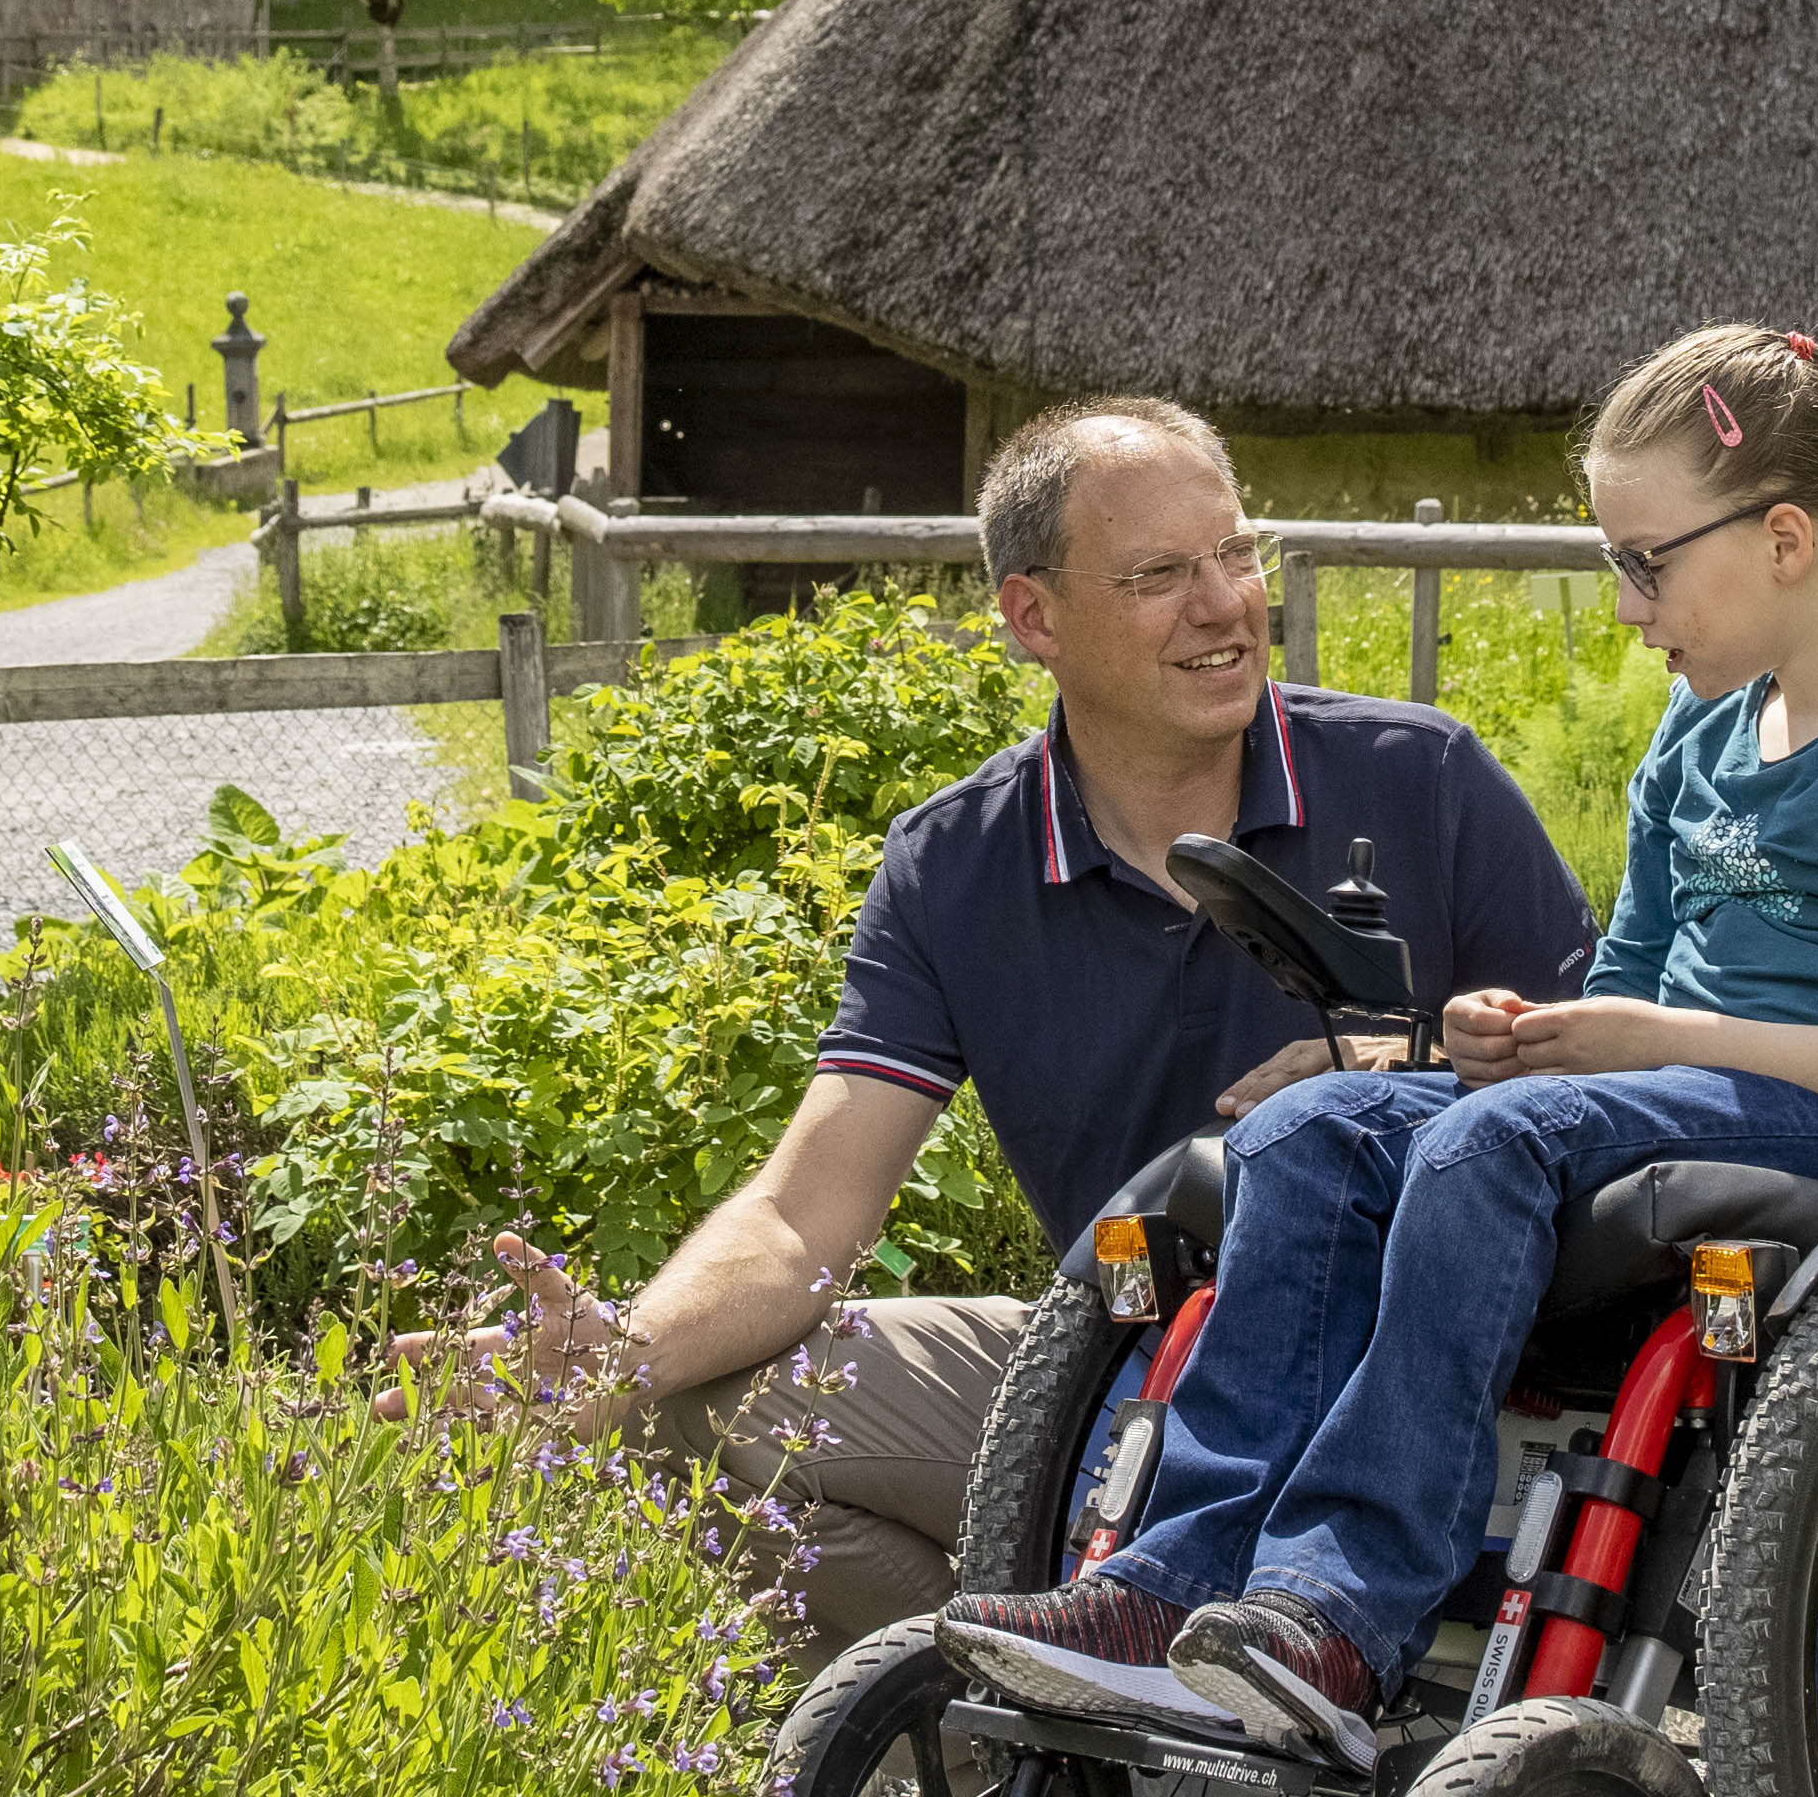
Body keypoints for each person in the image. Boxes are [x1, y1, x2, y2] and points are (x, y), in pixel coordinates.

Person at [938, 323, 1818, 1780]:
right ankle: (1172, 1578)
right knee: (1304, 1131)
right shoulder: (1700, 738)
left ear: (1784, 539)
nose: (1630, 609)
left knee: (1486, 1140)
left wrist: (1633, 1043)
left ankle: (1339, 1614)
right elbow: (1631, 993)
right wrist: (1519, 1040)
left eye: (1647, 564)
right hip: (1676, 1102)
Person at [482, 395, 1593, 1652]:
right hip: (1108, 1370)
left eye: (1234, 553)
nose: (1224, 604)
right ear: (1033, 617)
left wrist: (1406, 1070)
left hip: (1414, 1393)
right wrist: (613, 1353)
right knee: (687, 1401)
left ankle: (1141, 1676)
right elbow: (804, 1213)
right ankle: (1024, 1714)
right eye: (1158, 575)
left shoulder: (1421, 778)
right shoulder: (955, 862)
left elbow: (1619, 1086)